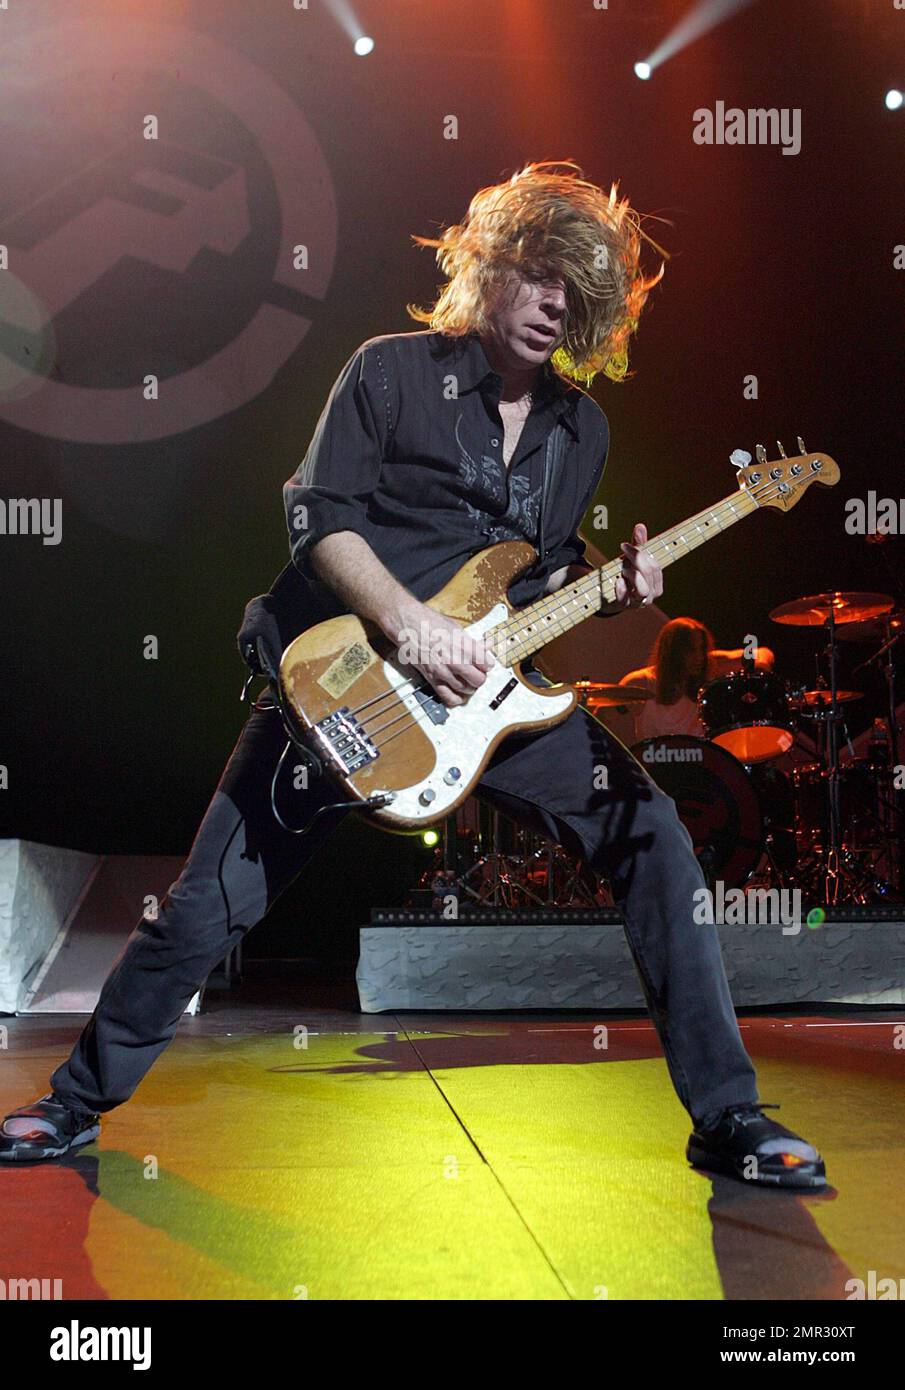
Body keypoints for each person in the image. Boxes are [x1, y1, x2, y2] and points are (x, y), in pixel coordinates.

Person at [0, 161, 824, 1188]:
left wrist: (611, 591)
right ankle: (71, 1104)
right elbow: (316, 513)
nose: (554, 302)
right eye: (535, 274)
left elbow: (539, 577)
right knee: (206, 911)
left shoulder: (583, 430)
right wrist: (408, 625)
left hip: (481, 703)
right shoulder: (389, 373)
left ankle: (727, 1115)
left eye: (577, 290)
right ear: (488, 269)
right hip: (345, 680)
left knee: (650, 828)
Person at [621, 617, 775, 742]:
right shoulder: (641, 683)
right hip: (655, 771)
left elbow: (760, 652)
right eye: (690, 650)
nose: (699, 657)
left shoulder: (710, 665)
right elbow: (603, 716)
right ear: (672, 653)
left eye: (701, 649)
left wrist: (760, 665)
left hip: (700, 769)